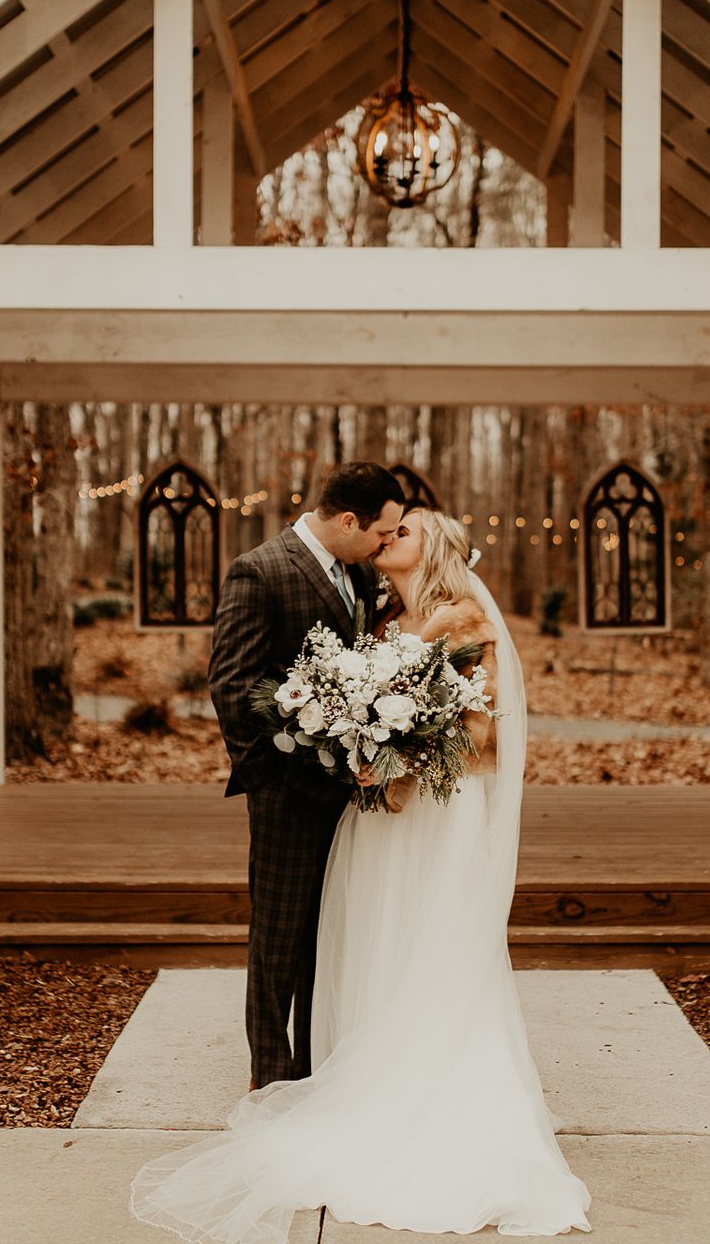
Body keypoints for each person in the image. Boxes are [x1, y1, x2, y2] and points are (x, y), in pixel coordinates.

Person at [132, 505, 593, 1243]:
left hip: (437, 817)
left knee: (428, 945)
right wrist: (355, 749)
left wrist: (396, 762)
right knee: (374, 939)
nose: (388, 540)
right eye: (387, 530)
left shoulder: (464, 622)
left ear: (433, 549)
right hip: (378, 821)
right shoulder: (379, 629)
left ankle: (430, 1094)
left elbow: (482, 735)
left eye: (403, 533)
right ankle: (364, 1077)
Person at [206, 461, 406, 1092]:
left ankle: (311, 1063)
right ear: (349, 520)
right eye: (381, 532)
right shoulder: (261, 569)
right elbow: (233, 686)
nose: (384, 544)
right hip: (287, 789)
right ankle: (270, 1076)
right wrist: (283, 770)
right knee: (279, 935)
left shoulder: (357, 570)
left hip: (347, 789)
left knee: (328, 930)